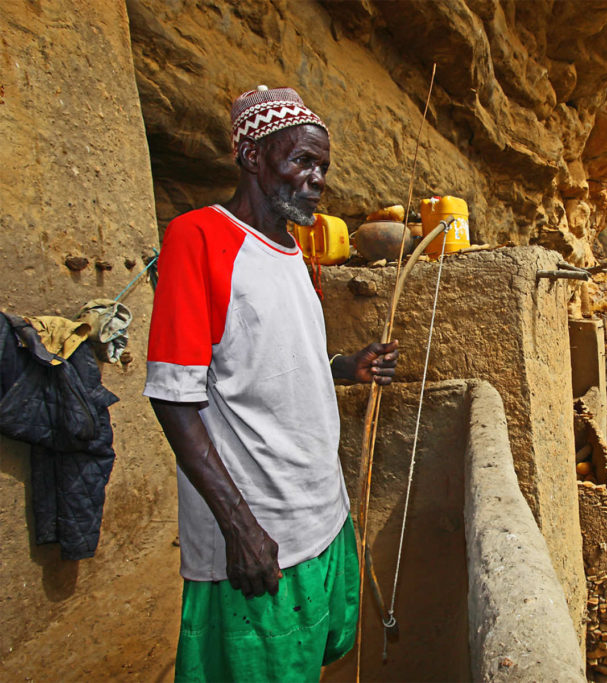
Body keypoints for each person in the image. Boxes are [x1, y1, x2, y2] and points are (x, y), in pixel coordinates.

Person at [144, 85, 397, 681]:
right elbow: (173, 397)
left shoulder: (293, 251)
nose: (317, 180)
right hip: (262, 532)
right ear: (252, 157)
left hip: (322, 514)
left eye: (323, 168)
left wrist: (344, 367)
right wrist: (241, 529)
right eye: (301, 161)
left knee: (311, 662)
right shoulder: (198, 238)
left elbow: (270, 358)